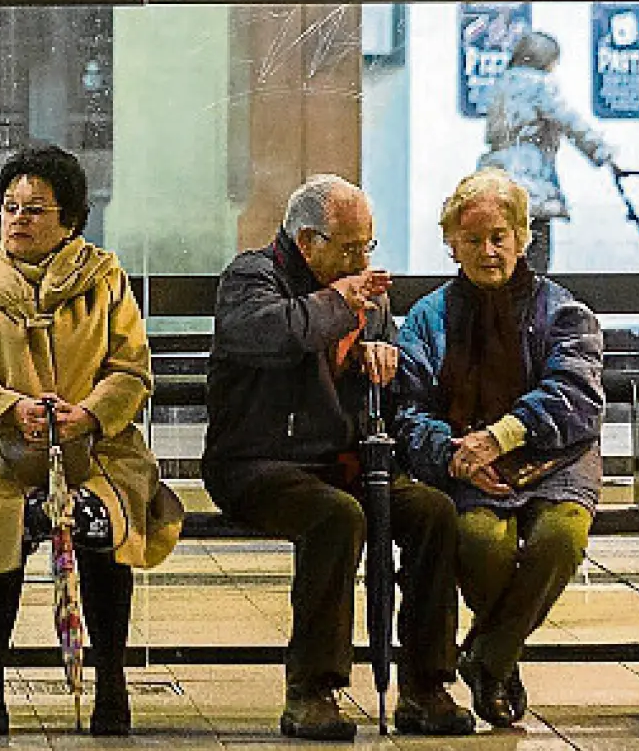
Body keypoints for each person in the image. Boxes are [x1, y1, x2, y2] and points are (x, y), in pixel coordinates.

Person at [200, 174, 475, 741]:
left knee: (432, 513)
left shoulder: (362, 293)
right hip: (257, 461)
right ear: (307, 241)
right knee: (337, 517)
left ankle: (426, 685)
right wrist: (337, 304)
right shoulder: (252, 277)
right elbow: (269, 333)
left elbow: (390, 369)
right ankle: (313, 690)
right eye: (349, 247)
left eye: (367, 246)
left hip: (345, 458)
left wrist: (382, 353)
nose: (360, 259)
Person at [0, 144, 183, 737]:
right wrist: (8, 408)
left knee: (100, 523)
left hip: (97, 455)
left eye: (35, 209)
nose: (18, 219)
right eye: (9, 207)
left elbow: (132, 369)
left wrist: (89, 415)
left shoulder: (106, 282)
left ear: (70, 220)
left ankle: (111, 682)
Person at [393, 169, 606, 729]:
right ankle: (500, 661)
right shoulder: (427, 318)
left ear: (521, 238)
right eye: (473, 240)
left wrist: (500, 437)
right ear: (452, 244)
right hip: (470, 466)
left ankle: (486, 654)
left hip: (555, 459)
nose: (488, 251)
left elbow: (576, 398)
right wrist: (454, 453)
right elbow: (408, 411)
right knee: (478, 541)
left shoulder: (565, 313)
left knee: (559, 536)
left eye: (499, 237)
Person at [477, 30, 618, 273]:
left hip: (495, 175)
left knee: (505, 247)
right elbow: (570, 121)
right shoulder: (539, 85)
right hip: (530, 175)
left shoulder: (501, 84)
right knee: (536, 252)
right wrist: (601, 151)